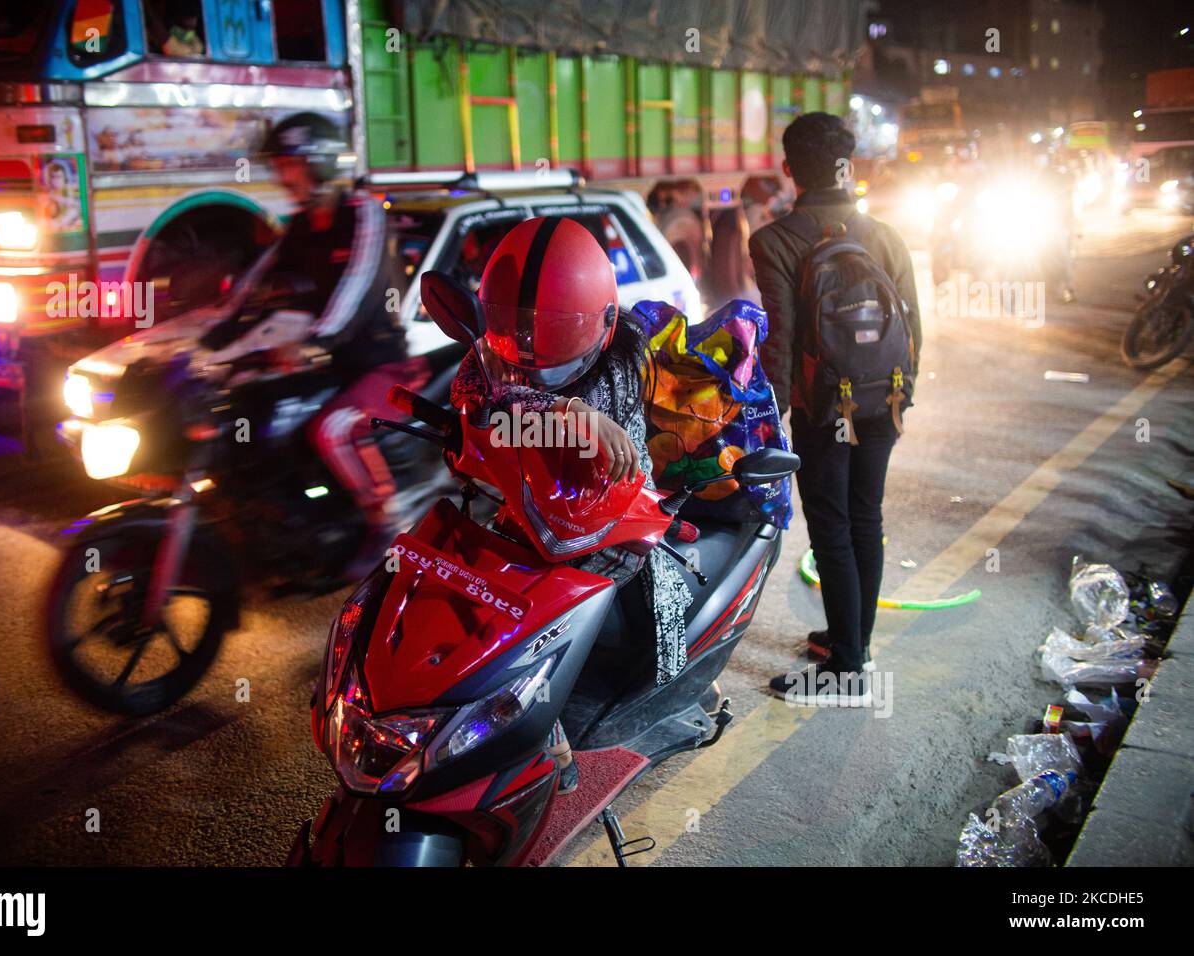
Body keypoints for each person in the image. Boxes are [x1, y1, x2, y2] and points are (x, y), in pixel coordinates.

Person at [450, 215, 692, 791]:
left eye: (553, 329)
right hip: (521, 504)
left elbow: (604, 458)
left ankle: (546, 738)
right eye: (518, 327)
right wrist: (560, 412)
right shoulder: (497, 351)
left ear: (601, 318)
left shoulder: (622, 356)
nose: (532, 346)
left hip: (610, 517)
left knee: (556, 607)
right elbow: (473, 393)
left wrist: (569, 416)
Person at [748, 112, 922, 707]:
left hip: (823, 410)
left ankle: (848, 666)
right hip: (884, 401)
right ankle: (850, 641)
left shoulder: (775, 239)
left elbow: (781, 340)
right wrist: (904, 394)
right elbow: (914, 326)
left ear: (790, 170)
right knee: (864, 519)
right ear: (848, 165)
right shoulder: (887, 235)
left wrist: (767, 418)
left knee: (832, 529)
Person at [260, 112, 424, 582]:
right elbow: (256, 286)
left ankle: (384, 522)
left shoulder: (364, 214)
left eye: (290, 164)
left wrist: (316, 341)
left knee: (332, 429)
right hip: (327, 364)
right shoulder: (300, 226)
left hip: (382, 365)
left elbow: (356, 287)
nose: (283, 176)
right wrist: (209, 342)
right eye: (280, 166)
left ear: (319, 162)